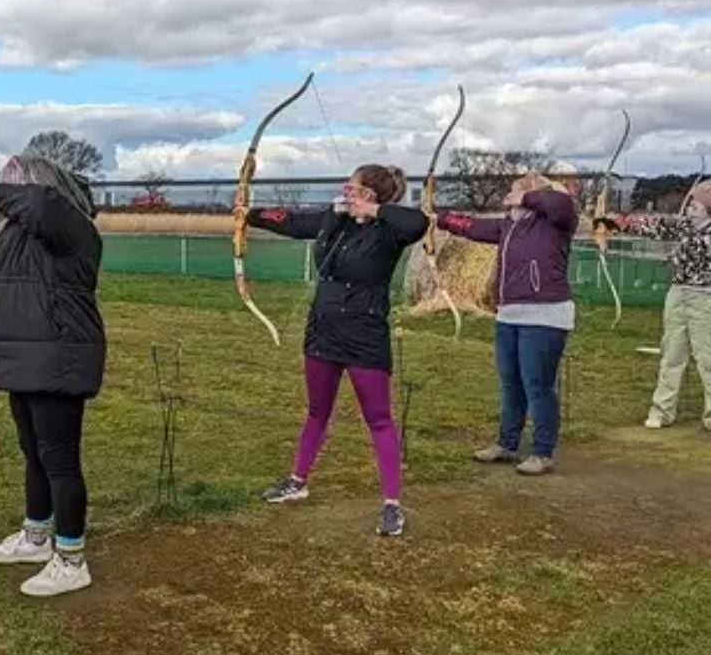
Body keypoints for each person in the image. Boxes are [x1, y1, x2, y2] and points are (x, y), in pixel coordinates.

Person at [0, 154, 105, 597]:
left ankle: (71, 560)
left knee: (60, 460)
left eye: (14, 183)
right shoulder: (6, 230)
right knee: (34, 453)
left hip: (59, 356)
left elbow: (40, 206)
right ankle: (36, 536)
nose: (5, 191)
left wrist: (8, 186)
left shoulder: (72, 226)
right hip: (22, 359)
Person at [251, 165, 428, 537]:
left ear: (369, 194)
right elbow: (291, 221)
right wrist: (249, 214)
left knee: (378, 419)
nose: (345, 190)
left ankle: (391, 504)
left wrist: (374, 211)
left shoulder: (390, 230)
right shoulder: (335, 220)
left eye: (353, 186)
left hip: (364, 334)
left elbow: (419, 223)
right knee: (317, 411)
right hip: (323, 330)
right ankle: (297, 481)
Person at [436, 172, 578, 475]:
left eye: (516, 192)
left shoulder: (557, 219)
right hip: (509, 314)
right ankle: (507, 443)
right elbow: (470, 227)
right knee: (510, 382)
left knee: (537, 384)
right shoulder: (508, 225)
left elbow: (560, 204)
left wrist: (526, 195)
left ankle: (542, 451)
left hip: (546, 314)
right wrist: (439, 218)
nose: (509, 196)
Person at [610, 180, 711, 431]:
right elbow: (658, 228)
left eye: (696, 206)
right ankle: (662, 410)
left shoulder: (703, 235)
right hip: (678, 294)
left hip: (704, 297)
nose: (689, 210)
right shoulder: (687, 226)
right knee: (671, 353)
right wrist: (620, 223)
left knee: (707, 357)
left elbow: (695, 252)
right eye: (690, 205)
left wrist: (674, 257)